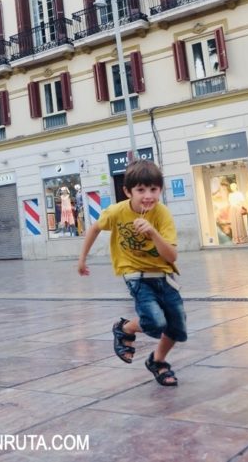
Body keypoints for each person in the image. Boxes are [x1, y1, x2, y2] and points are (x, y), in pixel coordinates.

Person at [78, 160, 186, 387]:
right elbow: (95, 228)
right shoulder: (117, 211)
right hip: (135, 275)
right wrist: (82, 259)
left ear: (160, 190)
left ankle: (158, 361)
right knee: (155, 322)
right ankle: (124, 328)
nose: (148, 196)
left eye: (153, 189)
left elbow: (172, 256)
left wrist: (154, 233)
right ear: (128, 191)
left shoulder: (162, 214)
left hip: (164, 276)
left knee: (177, 326)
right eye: (141, 190)